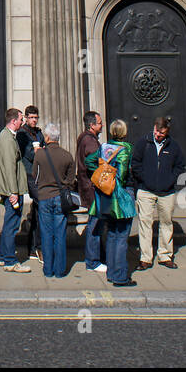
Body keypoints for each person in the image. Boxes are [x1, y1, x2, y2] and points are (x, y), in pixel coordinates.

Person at [84, 118, 136, 286]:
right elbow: (122, 175)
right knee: (121, 237)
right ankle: (120, 276)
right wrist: (113, 175)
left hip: (105, 196)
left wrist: (102, 174)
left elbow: (89, 161)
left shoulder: (104, 147)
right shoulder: (126, 149)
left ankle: (112, 274)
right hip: (120, 197)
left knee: (112, 235)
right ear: (124, 132)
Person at [132, 116, 186, 270]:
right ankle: (146, 258)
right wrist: (144, 179)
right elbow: (135, 163)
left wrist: (170, 180)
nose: (158, 135)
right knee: (145, 224)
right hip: (146, 190)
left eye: (162, 133)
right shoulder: (143, 142)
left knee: (166, 223)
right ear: (154, 127)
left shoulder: (173, 146)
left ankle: (165, 255)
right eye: (157, 131)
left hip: (166, 191)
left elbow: (180, 165)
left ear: (167, 132)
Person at [32, 121, 76, 278]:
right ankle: (60, 270)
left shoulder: (40, 154)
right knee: (60, 234)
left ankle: (48, 269)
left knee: (46, 233)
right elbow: (71, 180)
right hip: (60, 197)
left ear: (47, 137)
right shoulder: (67, 155)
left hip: (44, 197)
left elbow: (34, 176)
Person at [0, 108, 31, 272]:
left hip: (11, 188)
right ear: (14, 121)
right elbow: (9, 166)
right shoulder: (7, 139)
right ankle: (9, 261)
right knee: (12, 225)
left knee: (9, 223)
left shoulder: (7, 137)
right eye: (21, 119)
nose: (23, 122)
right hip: (12, 190)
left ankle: (3, 256)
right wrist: (13, 192)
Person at [75, 110, 106, 274]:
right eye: (99, 123)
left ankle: (99, 257)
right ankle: (93, 261)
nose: (102, 125)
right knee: (95, 224)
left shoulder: (86, 139)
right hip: (93, 188)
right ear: (92, 125)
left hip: (89, 187)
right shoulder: (90, 141)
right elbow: (94, 163)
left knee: (96, 223)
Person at [15, 106, 43, 260]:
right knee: (40, 205)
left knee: (38, 210)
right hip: (29, 173)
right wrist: (39, 151)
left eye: (35, 117)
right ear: (25, 117)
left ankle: (33, 247)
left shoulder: (38, 132)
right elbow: (28, 153)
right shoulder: (22, 134)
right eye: (31, 117)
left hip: (39, 173)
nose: (33, 120)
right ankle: (35, 247)